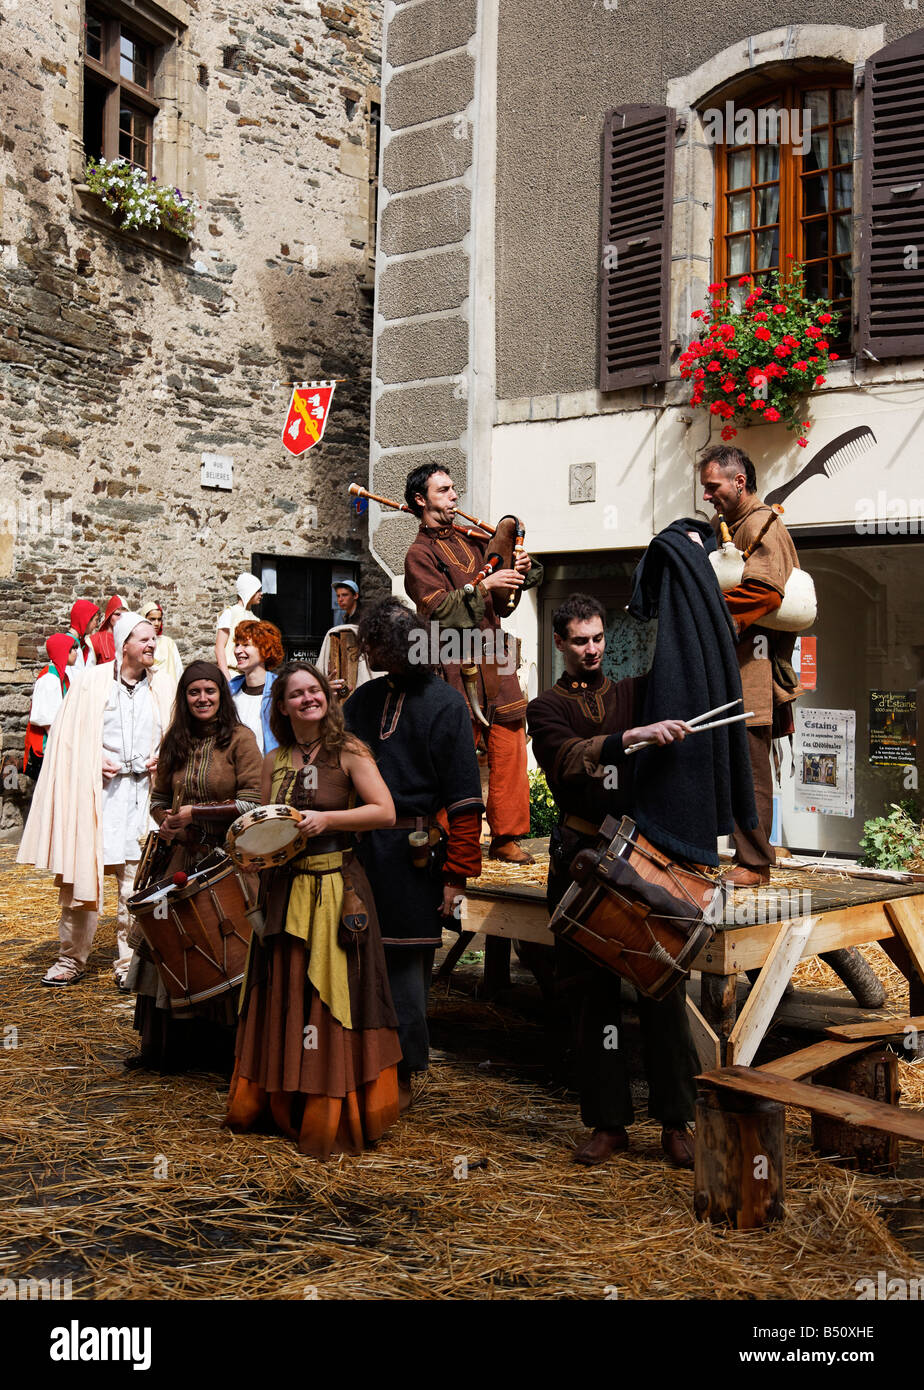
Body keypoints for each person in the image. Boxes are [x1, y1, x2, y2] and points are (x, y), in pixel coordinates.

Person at [527, 594, 702, 1169]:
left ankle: (676, 1122)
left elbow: (679, 666)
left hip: (639, 860)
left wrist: (693, 602)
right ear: (560, 644)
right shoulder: (544, 708)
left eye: (599, 637)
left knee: (661, 986)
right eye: (580, 640)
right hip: (580, 857)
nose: (592, 649)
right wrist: (631, 738)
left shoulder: (630, 691)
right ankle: (608, 1124)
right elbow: (569, 758)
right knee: (591, 997)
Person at [225, 661, 402, 1158]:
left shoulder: (349, 751)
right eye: (297, 694)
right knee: (288, 990)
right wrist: (251, 871)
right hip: (283, 893)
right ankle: (285, 1104)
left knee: (329, 1001)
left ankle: (331, 1112)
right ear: (281, 706)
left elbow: (384, 812)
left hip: (335, 892)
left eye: (315, 691)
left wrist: (329, 819)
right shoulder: (273, 759)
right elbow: (262, 828)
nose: (308, 699)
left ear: (327, 697)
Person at [345, 598, 484, 1111]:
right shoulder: (360, 701)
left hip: (414, 856)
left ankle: (402, 1076)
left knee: (405, 974)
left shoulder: (446, 704)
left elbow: (466, 803)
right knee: (359, 965)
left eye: (375, 644)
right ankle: (362, 1068)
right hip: (360, 853)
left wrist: (457, 878)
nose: (369, 651)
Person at [19, 612, 174, 987]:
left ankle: (130, 962)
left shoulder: (163, 686)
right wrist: (93, 758)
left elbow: (173, 734)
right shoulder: (91, 683)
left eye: (154, 639)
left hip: (143, 795)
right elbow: (66, 738)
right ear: (124, 646)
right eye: (144, 639)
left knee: (136, 883)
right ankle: (71, 959)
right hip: (97, 796)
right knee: (81, 882)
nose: (152, 645)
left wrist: (163, 758)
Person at [126, 660, 263, 1072]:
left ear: (221, 695)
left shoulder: (240, 739)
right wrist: (165, 820)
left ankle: (224, 1056)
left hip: (227, 865)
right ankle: (168, 1051)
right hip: (180, 861)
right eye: (193, 692)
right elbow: (158, 798)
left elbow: (253, 802)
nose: (202, 699)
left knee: (222, 949)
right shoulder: (176, 741)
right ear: (184, 698)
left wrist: (195, 812)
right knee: (169, 947)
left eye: (210, 691)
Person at [403, 464, 542, 865]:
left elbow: (513, 585)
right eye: (443, 490)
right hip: (451, 659)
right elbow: (441, 610)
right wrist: (484, 587)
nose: (453, 496)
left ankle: (507, 837)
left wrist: (523, 570)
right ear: (420, 500)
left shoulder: (473, 539)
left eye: (452, 489)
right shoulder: (419, 555)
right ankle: (445, 834)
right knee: (456, 751)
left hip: (494, 657)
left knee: (511, 741)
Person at [699, 445, 803, 886]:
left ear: (739, 482)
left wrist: (708, 609)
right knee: (725, 764)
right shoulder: (734, 526)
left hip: (754, 672)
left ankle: (756, 863)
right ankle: (739, 852)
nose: (707, 496)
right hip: (732, 670)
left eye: (713, 486)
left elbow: (765, 592)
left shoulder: (763, 525)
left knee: (750, 768)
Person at [22, 634, 77, 779]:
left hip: (57, 742)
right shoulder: (49, 679)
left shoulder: (62, 676)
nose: (76, 653)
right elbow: (47, 719)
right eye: (73, 649)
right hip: (47, 745)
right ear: (63, 651)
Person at [228, 619, 284, 754]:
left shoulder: (280, 690)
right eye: (237, 644)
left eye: (246, 645)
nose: (238, 651)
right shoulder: (229, 691)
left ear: (265, 650)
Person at [215, 573, 262, 681]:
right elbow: (219, 647)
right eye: (257, 590)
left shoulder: (256, 619)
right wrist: (226, 676)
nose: (261, 594)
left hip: (249, 675)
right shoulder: (230, 613)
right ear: (249, 591)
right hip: (231, 674)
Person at [140, 596, 182, 687]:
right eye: (152, 619)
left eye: (159, 619)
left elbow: (178, 669)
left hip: (169, 689)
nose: (156, 623)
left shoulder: (168, 643)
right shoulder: (139, 643)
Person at [90, 595, 124, 664]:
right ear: (109, 615)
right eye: (117, 614)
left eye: (125, 615)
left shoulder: (131, 640)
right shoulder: (95, 640)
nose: (121, 618)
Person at [68, 599, 100, 669]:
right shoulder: (67, 645)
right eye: (96, 620)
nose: (97, 624)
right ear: (86, 619)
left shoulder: (82, 645)